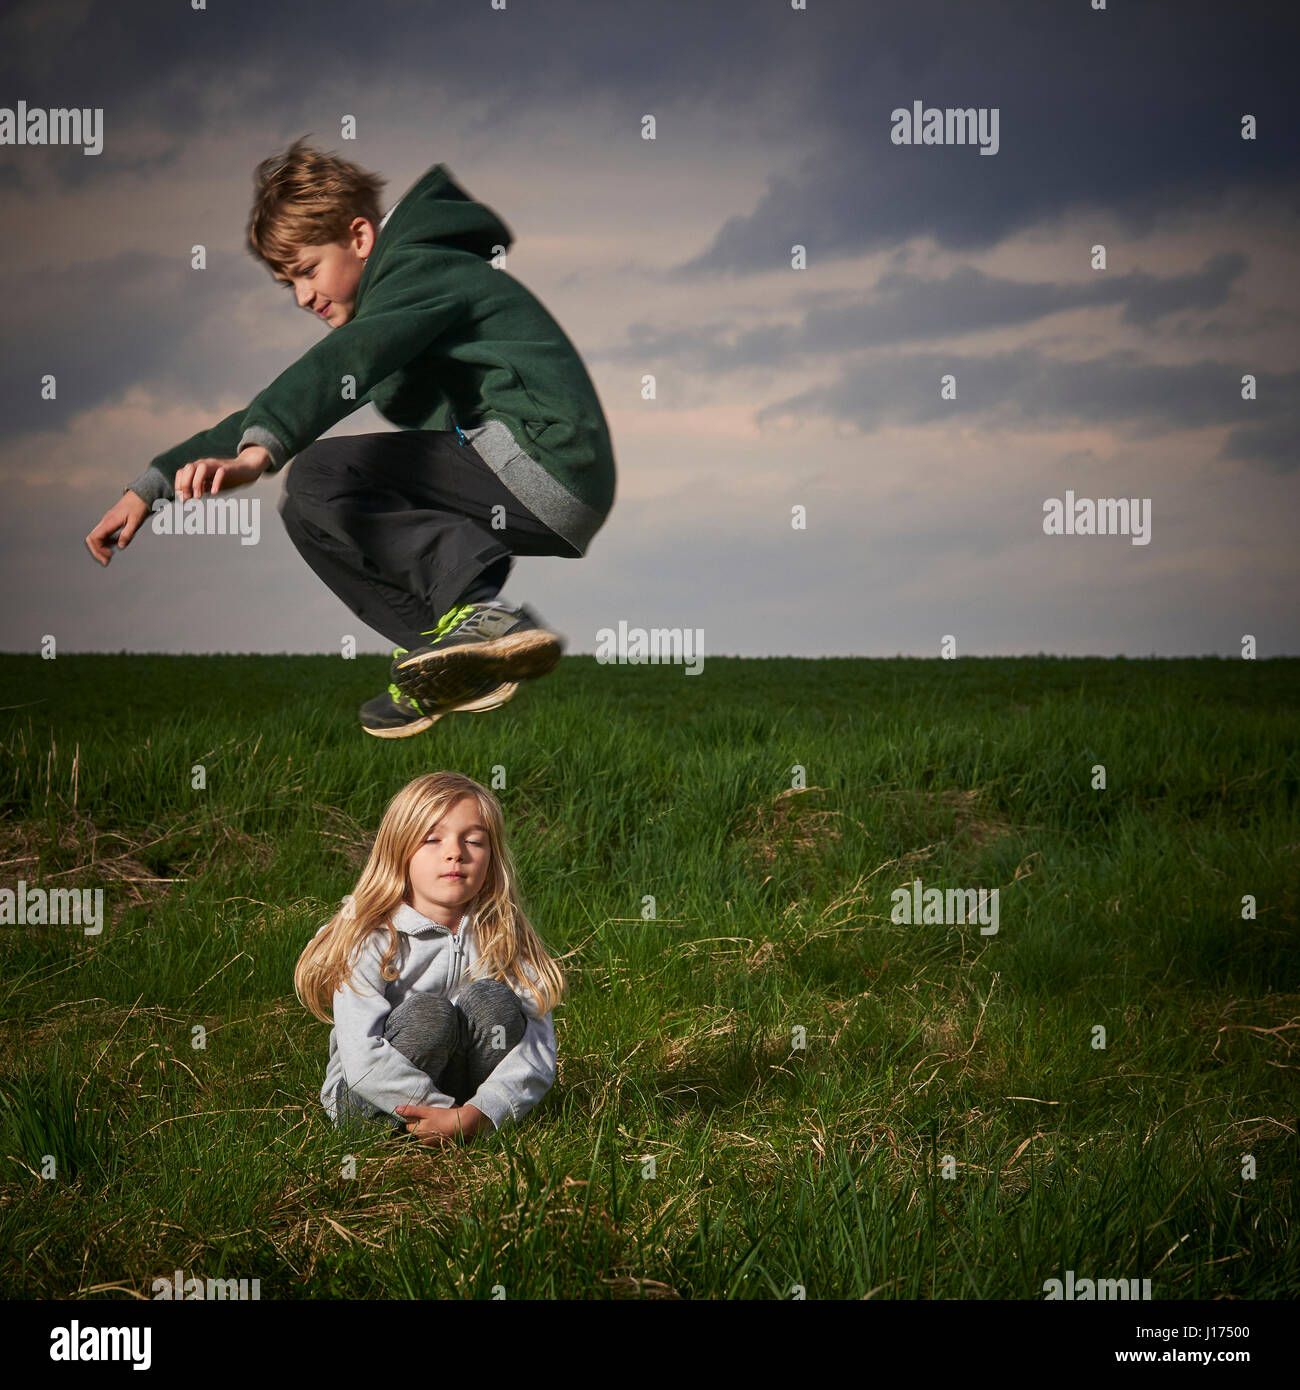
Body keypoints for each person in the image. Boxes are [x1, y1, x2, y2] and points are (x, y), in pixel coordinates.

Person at [85, 137, 617, 738]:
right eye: (289, 284)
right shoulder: (395, 313)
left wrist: (262, 454)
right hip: (541, 483)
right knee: (309, 510)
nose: (304, 296)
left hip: (544, 455)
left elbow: (345, 361)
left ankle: (482, 615)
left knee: (320, 473)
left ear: (360, 238)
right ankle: (449, 662)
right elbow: (294, 393)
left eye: (308, 271)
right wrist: (149, 487)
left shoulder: (420, 270)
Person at [294, 771, 565, 1144]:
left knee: (493, 1001)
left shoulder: (505, 937)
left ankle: (464, 1129)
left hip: (467, 1107)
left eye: (473, 840)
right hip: (369, 1099)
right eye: (432, 839)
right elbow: (361, 1055)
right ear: (399, 852)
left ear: (491, 857)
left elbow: (536, 1049)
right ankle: (403, 1135)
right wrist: (437, 1108)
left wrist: (477, 1113)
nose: (455, 852)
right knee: (429, 1015)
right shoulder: (371, 938)